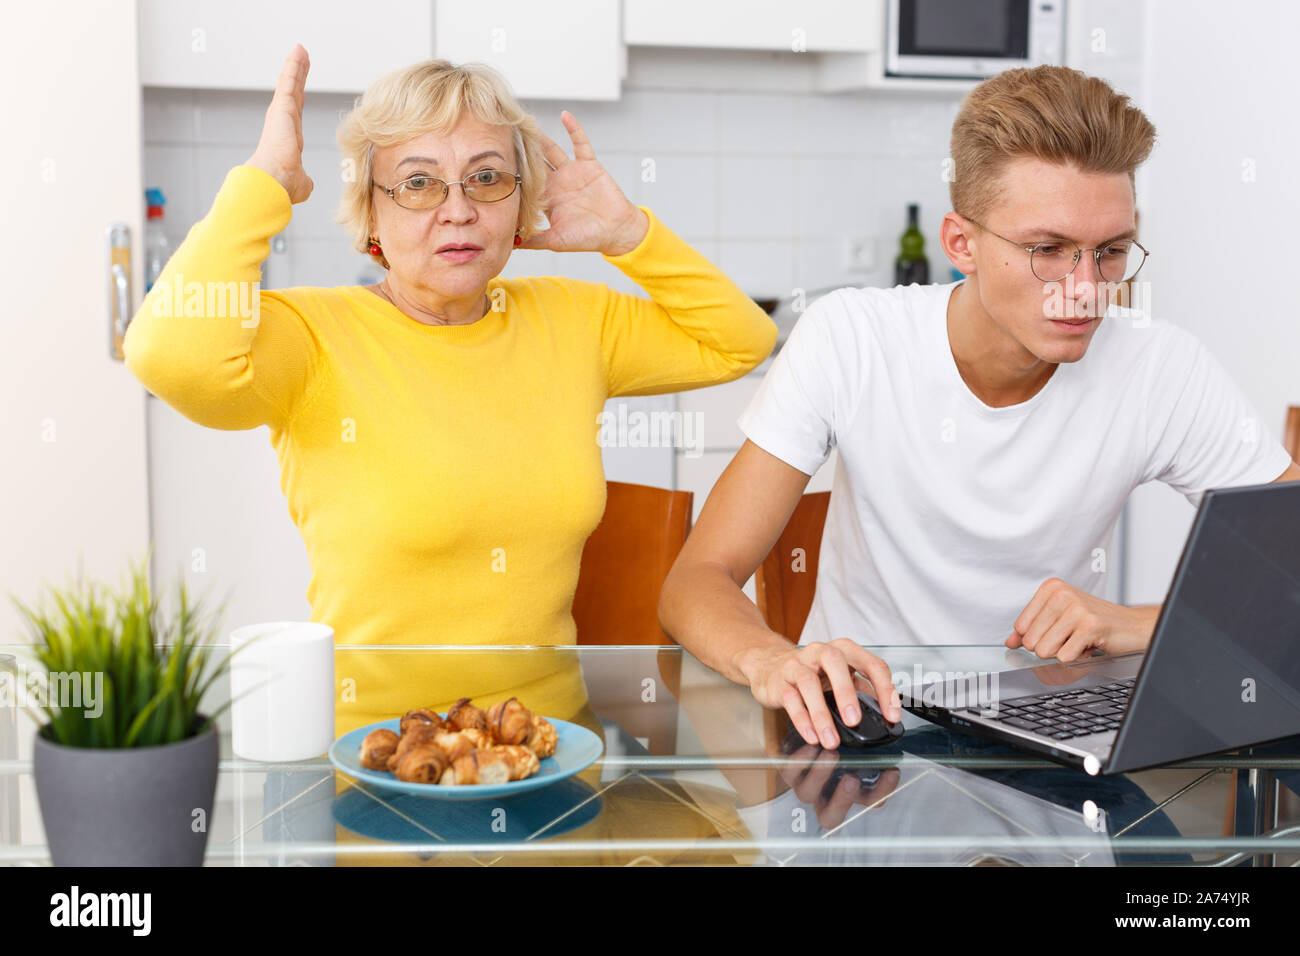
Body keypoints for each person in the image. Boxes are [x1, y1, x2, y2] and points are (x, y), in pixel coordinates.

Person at [124, 45, 777, 735]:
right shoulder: (315, 337)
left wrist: (627, 234)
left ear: (521, 201)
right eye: (417, 183)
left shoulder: (574, 319)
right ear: (370, 213)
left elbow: (739, 341)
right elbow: (167, 355)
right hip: (373, 756)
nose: (458, 210)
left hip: (545, 747)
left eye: (487, 178)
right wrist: (261, 185)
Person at [659, 64, 1300, 751]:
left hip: (1055, 733)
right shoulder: (851, 337)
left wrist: (1141, 623)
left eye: (1110, 252)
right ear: (961, 244)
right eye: (1048, 250)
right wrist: (772, 658)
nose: (1085, 290)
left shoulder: (1161, 367)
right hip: (866, 734)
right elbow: (697, 581)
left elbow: (1286, 568)